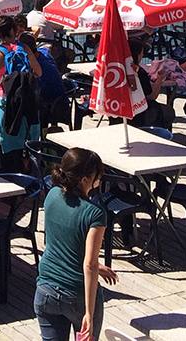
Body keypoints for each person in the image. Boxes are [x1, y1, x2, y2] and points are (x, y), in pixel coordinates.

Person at [35, 146, 117, 341]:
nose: (99, 180)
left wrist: (98, 267)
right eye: (97, 176)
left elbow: (61, 242)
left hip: (45, 290)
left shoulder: (52, 195)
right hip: (77, 295)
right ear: (85, 180)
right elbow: (88, 264)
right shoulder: (95, 214)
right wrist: (89, 312)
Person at [0, 14, 44, 169]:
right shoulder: (25, 48)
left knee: (7, 143)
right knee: (25, 142)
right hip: (25, 100)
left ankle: (11, 178)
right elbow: (39, 72)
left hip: (3, 101)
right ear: (15, 31)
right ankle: (27, 173)